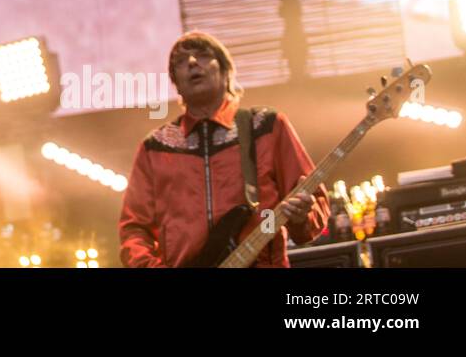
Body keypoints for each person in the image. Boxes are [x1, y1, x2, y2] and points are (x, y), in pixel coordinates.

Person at [118, 30, 332, 267]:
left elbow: (315, 200)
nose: (191, 62)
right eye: (181, 61)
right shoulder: (155, 148)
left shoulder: (267, 126)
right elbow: (134, 229)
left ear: (225, 71)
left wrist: (303, 217)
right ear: (175, 83)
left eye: (202, 55)